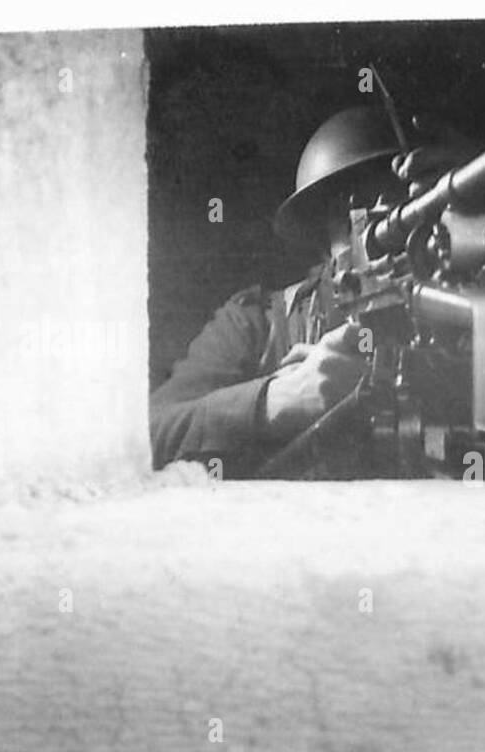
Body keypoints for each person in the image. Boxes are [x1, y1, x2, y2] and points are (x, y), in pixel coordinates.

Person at [149, 107, 466, 477]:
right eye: (351, 211)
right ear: (321, 233)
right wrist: (274, 400)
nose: (383, 234)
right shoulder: (258, 323)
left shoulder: (474, 304)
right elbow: (148, 435)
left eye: (401, 206)